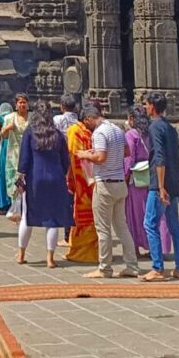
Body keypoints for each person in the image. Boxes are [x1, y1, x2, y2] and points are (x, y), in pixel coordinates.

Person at [79, 98, 139, 278]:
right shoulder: (118, 129)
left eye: (86, 123)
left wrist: (85, 155)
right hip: (120, 182)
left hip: (105, 183)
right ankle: (132, 265)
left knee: (103, 229)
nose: (86, 127)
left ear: (90, 118)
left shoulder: (99, 133)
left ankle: (104, 267)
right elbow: (127, 153)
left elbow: (101, 157)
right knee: (122, 227)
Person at [139, 93, 179, 281]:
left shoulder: (155, 127)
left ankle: (157, 267)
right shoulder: (169, 127)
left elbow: (159, 157)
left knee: (150, 223)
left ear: (152, 107)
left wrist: (160, 186)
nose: (145, 108)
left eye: (146, 104)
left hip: (160, 183)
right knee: (174, 225)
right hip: (174, 181)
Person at [15, 105, 73, 267]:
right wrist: (61, 173)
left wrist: (20, 178)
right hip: (55, 178)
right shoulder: (58, 135)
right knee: (52, 220)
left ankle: (21, 254)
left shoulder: (30, 133)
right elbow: (65, 161)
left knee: (27, 216)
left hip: (35, 179)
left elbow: (24, 159)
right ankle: (50, 258)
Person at [124, 106, 172, 259]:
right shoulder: (152, 132)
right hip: (152, 176)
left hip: (136, 180)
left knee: (135, 215)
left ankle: (136, 248)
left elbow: (129, 158)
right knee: (155, 215)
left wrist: (125, 175)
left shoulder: (131, 135)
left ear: (132, 119)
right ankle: (159, 247)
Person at [62, 102, 100, 264]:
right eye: (94, 119)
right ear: (86, 119)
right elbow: (72, 156)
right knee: (83, 215)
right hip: (84, 181)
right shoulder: (75, 132)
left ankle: (86, 252)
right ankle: (84, 251)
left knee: (86, 215)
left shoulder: (88, 132)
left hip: (87, 181)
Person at [0, 96, 30, 218]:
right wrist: (7, 129)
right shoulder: (9, 118)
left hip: (29, 153)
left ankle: (28, 206)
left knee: (29, 179)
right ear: (15, 105)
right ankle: (16, 207)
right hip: (14, 154)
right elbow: (2, 136)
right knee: (14, 181)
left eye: (24, 102)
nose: (22, 105)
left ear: (28, 104)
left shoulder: (32, 118)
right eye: (19, 102)